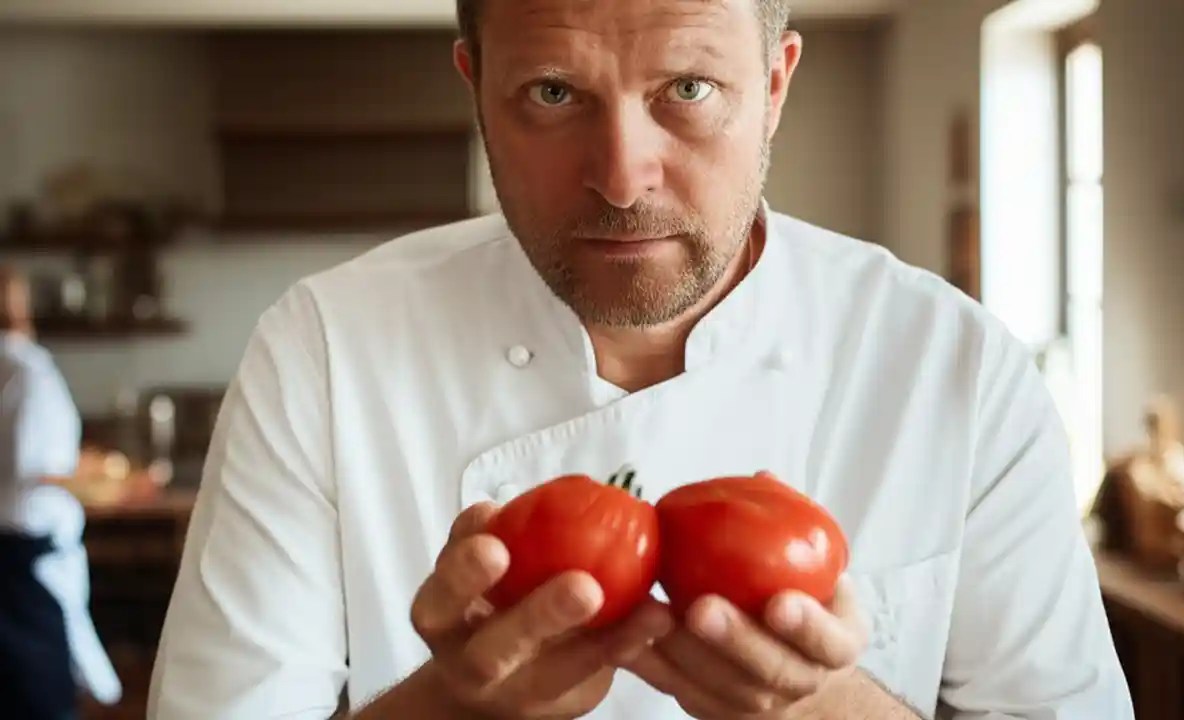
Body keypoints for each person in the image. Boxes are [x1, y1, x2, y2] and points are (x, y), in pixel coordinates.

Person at [148, 0, 1134, 717]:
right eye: (550, 92)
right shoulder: (325, 350)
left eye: (689, 90)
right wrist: (446, 707)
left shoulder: (952, 367)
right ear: (474, 90)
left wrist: (827, 708)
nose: (620, 177)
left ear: (776, 83)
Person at [0, 266, 122, 714]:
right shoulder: (27, 368)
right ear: (16, 306)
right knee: (40, 700)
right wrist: (97, 478)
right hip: (22, 570)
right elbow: (36, 470)